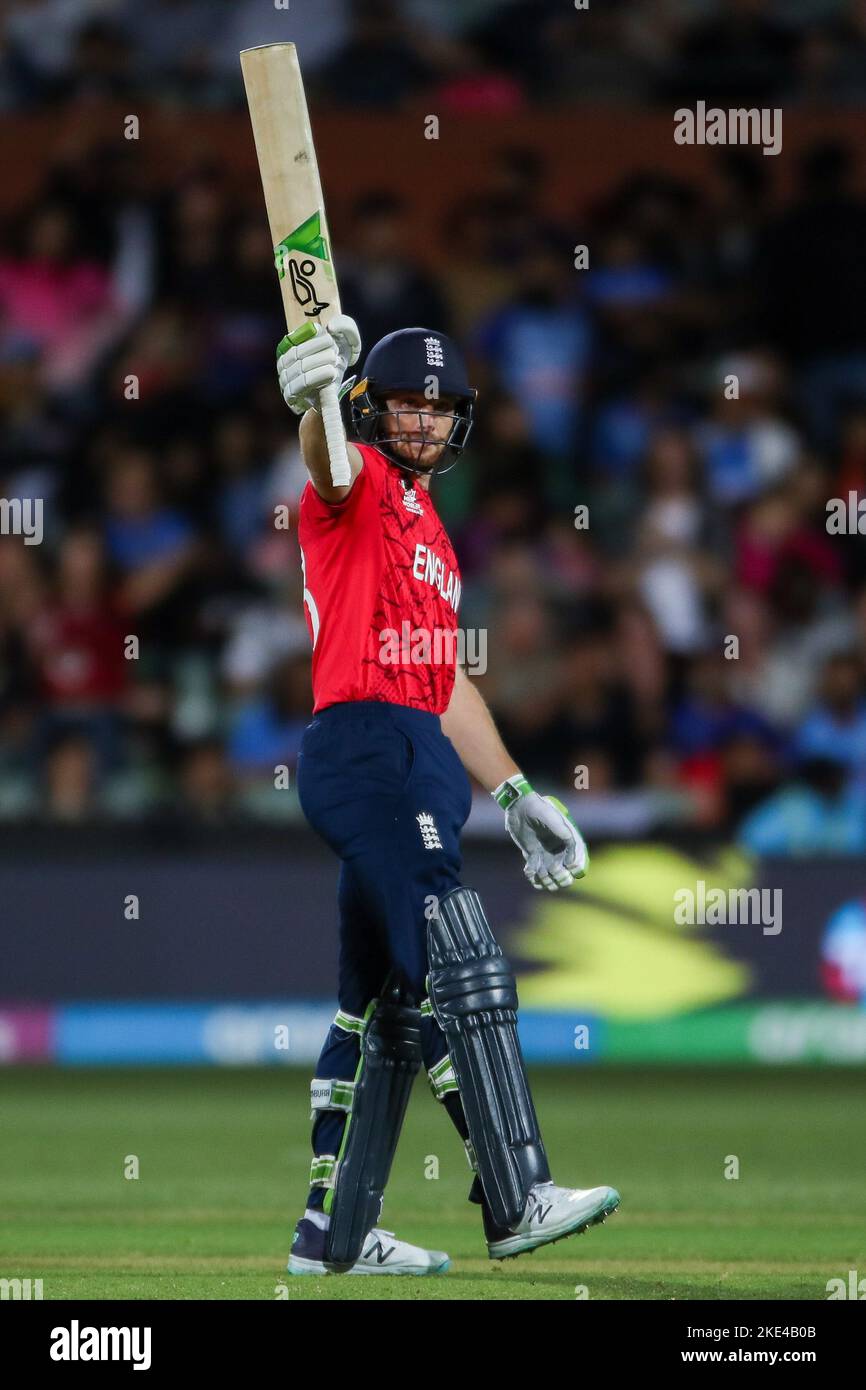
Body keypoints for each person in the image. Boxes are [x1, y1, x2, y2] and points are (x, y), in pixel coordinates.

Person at [276, 314, 619, 1276]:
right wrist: (313, 401)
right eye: (403, 404)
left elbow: (445, 676)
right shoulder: (358, 486)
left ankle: (331, 1234)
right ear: (370, 410)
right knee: (455, 949)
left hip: (418, 744)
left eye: (438, 408)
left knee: (375, 1005)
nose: (421, 423)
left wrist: (513, 792)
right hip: (367, 742)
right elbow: (326, 466)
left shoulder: (434, 533)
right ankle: (518, 1194)